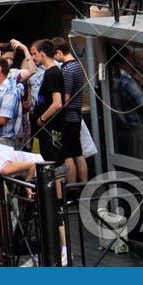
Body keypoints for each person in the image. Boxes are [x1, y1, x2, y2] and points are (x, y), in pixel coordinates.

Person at [54, 38, 91, 185]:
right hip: (76, 116)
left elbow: (65, 98)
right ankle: (83, 184)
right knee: (78, 153)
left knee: (67, 154)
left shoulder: (67, 69)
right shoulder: (77, 65)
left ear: (58, 52)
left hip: (68, 117)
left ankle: (72, 187)